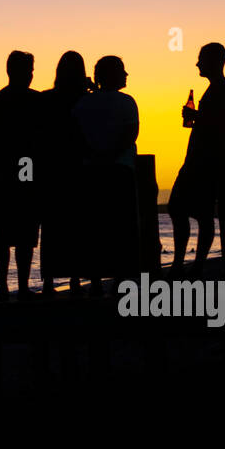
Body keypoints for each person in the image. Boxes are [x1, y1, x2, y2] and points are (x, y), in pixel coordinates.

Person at [0, 51, 43, 302]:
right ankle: (20, 287)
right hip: (25, 169)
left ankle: (5, 288)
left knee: (4, 231)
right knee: (24, 231)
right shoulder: (37, 101)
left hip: (5, 171)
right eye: (29, 70)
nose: (31, 75)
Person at [168, 42, 225, 279]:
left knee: (185, 209)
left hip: (205, 161)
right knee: (187, 210)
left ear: (215, 61)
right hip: (203, 159)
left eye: (201, 59)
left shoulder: (221, 89)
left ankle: (189, 265)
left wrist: (195, 116)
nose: (197, 63)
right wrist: (197, 117)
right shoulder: (217, 88)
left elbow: (220, 125)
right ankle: (186, 264)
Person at [73, 56, 139, 282]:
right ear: (112, 75)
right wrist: (111, 156)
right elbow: (131, 135)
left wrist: (96, 156)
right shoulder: (127, 102)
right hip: (120, 170)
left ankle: (95, 281)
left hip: (91, 170)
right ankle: (121, 279)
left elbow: (78, 137)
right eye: (122, 70)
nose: (126, 74)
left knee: (95, 228)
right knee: (122, 227)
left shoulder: (83, 103)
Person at [38, 51, 94, 295]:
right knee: (81, 226)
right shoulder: (87, 99)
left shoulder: (46, 99)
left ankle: (49, 281)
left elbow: (37, 134)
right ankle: (76, 280)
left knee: (52, 227)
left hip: (52, 168)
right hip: (81, 166)